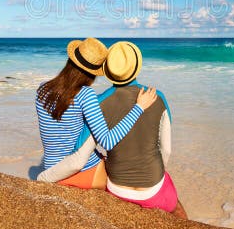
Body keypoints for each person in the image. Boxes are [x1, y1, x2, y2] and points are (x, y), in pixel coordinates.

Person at [40, 41, 186, 218]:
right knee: (176, 203)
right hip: (145, 187)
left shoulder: (43, 89)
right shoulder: (157, 97)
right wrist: (139, 107)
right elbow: (167, 150)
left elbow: (78, 142)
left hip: (107, 184)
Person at [35, 37, 158, 189]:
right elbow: (108, 141)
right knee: (126, 182)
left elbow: (59, 131)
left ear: (70, 61)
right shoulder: (86, 95)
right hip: (81, 172)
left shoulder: (42, 89)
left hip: (51, 169)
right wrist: (139, 107)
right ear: (92, 73)